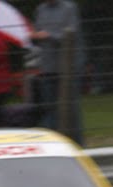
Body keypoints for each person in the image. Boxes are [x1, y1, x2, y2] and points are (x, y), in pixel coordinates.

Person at [32, 0, 83, 142]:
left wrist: (48, 35)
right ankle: (53, 141)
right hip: (47, 66)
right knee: (49, 108)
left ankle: (77, 143)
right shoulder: (40, 9)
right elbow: (37, 32)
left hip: (66, 68)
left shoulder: (69, 8)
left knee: (71, 108)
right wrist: (34, 36)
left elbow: (71, 34)